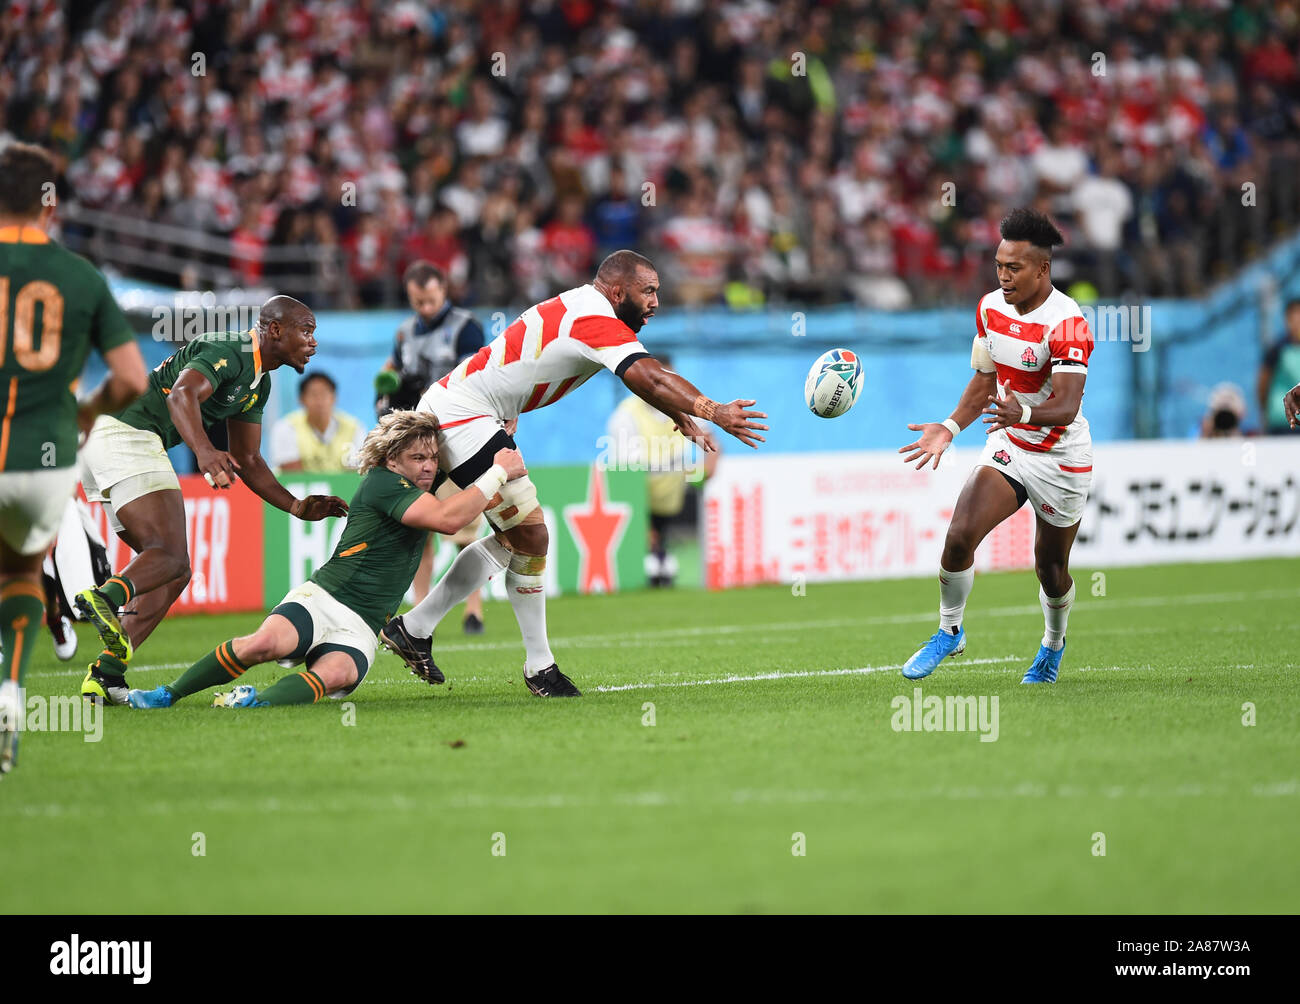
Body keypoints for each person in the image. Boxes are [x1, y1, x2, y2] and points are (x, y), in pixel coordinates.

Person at [379, 249, 768, 697]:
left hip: (465, 410)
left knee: (517, 539)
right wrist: (711, 409)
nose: (656, 302)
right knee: (532, 536)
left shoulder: (589, 309)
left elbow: (639, 378)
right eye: (649, 292)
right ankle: (536, 666)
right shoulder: (594, 318)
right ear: (618, 291)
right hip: (462, 416)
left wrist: (677, 416)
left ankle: (417, 627)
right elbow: (649, 376)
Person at [127, 411, 526, 708]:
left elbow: (456, 491)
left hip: (364, 626)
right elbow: (447, 518)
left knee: (335, 675)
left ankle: (253, 702)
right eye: (418, 457)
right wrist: (497, 472)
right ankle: (167, 694)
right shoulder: (384, 483)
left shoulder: (419, 481)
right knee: (263, 644)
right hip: (324, 598)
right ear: (392, 460)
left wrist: (497, 436)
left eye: (432, 458)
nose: (428, 466)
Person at [75, 295, 349, 706]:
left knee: (173, 570)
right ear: (275, 330)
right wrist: (204, 452)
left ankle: (106, 675)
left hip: (109, 440)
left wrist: (294, 505)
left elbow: (250, 458)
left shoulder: (260, 381)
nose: (313, 342)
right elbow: (180, 397)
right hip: (125, 431)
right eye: (306, 331)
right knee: (168, 554)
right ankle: (105, 599)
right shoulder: (230, 349)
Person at [0, 142, 149, 776]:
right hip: (46, 457)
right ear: (49, 206)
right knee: (20, 576)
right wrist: (83, 413)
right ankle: (11, 701)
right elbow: (131, 379)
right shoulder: (82, 276)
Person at [897, 208, 1093, 685]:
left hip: (1061, 455)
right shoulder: (989, 308)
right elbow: (985, 381)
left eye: (1015, 268)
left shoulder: (1068, 322)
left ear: (1042, 269)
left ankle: (1052, 643)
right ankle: (949, 631)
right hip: (1010, 442)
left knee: (1050, 567)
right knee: (961, 533)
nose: (1003, 277)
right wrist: (949, 427)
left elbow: (1066, 406)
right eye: (999, 266)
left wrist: (1022, 413)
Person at [375, 260, 489, 634]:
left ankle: (474, 609)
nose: (424, 307)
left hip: (456, 438)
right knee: (419, 525)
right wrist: (388, 393)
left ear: (444, 290)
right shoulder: (405, 333)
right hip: (417, 441)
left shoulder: (466, 328)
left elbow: (473, 379)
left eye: (430, 299)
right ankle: (420, 612)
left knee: (464, 528)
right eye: (418, 301)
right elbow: (391, 373)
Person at [605, 353, 719, 586]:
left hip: (676, 496)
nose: (664, 387)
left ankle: (668, 562)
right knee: (647, 574)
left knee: (670, 569)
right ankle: (654, 557)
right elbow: (625, 477)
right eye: (658, 380)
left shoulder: (684, 405)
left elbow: (712, 443)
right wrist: (641, 523)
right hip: (641, 503)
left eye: (670, 380)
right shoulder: (626, 416)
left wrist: (707, 467)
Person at [270, 371, 366, 472]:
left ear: (334, 398)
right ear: (301, 399)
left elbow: (357, 471)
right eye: (313, 394)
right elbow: (292, 473)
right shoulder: (287, 427)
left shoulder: (354, 428)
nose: (319, 401)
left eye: (324, 394)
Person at [1257, 299, 1300, 435]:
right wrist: (1265, 412)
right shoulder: (1278, 349)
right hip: (1282, 422)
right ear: (1287, 320)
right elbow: (1263, 383)